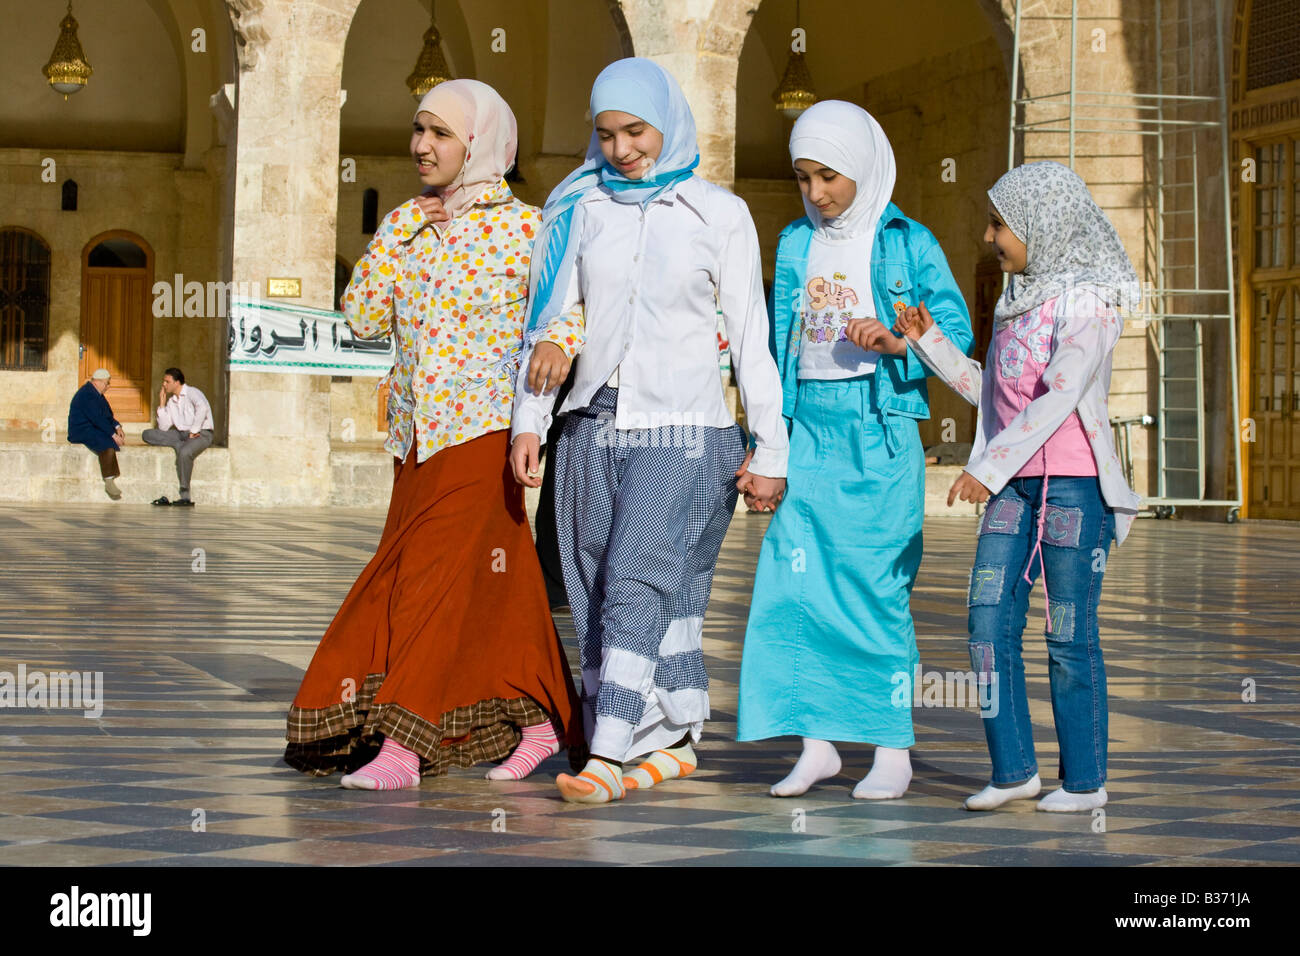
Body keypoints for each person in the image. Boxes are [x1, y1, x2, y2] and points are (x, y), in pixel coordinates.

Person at [285, 78, 584, 790]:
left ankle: (402, 746)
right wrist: (393, 238)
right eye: (417, 132)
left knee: (425, 580)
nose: (422, 146)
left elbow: (567, 311)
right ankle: (542, 726)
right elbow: (360, 319)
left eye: (439, 134)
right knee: (495, 587)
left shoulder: (528, 228)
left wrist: (557, 357)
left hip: (486, 432)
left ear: (479, 144)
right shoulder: (407, 226)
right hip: (417, 437)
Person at [510, 57, 789, 805]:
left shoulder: (718, 214)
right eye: (606, 135)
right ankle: (672, 739)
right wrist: (529, 423)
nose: (622, 148)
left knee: (636, 573)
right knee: (601, 583)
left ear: (667, 126)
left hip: (685, 429)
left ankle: (605, 751)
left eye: (636, 131)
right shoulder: (579, 208)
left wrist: (771, 447)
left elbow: (751, 336)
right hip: (591, 424)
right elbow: (551, 322)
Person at [736, 101, 974, 800]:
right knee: (794, 587)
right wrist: (768, 443)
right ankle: (817, 745)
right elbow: (775, 344)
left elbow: (951, 328)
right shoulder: (792, 243)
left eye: (830, 176)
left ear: (864, 167)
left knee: (875, 589)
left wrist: (902, 340)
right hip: (808, 429)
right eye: (804, 178)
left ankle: (891, 746)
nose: (817, 193)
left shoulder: (907, 240)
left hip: (879, 427)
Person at [897, 160, 1142, 812]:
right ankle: (1014, 771)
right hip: (1014, 488)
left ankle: (1085, 783)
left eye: (999, 223)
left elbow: (1060, 396)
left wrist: (985, 466)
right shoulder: (1017, 300)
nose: (988, 235)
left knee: (1067, 633)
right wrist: (931, 345)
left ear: (1043, 223)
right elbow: (996, 395)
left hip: (1071, 486)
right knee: (986, 623)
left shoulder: (1088, 304)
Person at [141, 368, 213, 507]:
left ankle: (185, 495)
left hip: (201, 434)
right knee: (147, 434)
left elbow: (202, 407)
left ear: (177, 382)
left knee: (185, 453)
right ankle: (179, 445)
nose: (164, 384)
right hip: (180, 435)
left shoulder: (192, 392)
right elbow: (163, 427)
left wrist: (194, 430)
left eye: (167, 381)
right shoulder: (172, 401)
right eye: (164, 381)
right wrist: (161, 404)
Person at [68, 368, 126, 500]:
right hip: (80, 430)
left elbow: (107, 415)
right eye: (107, 383)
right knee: (106, 443)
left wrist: (117, 426)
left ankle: (110, 478)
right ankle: (109, 480)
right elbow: (97, 418)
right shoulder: (87, 394)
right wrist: (113, 435)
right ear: (98, 382)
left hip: (92, 427)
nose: (108, 387)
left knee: (106, 438)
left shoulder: (97, 394)